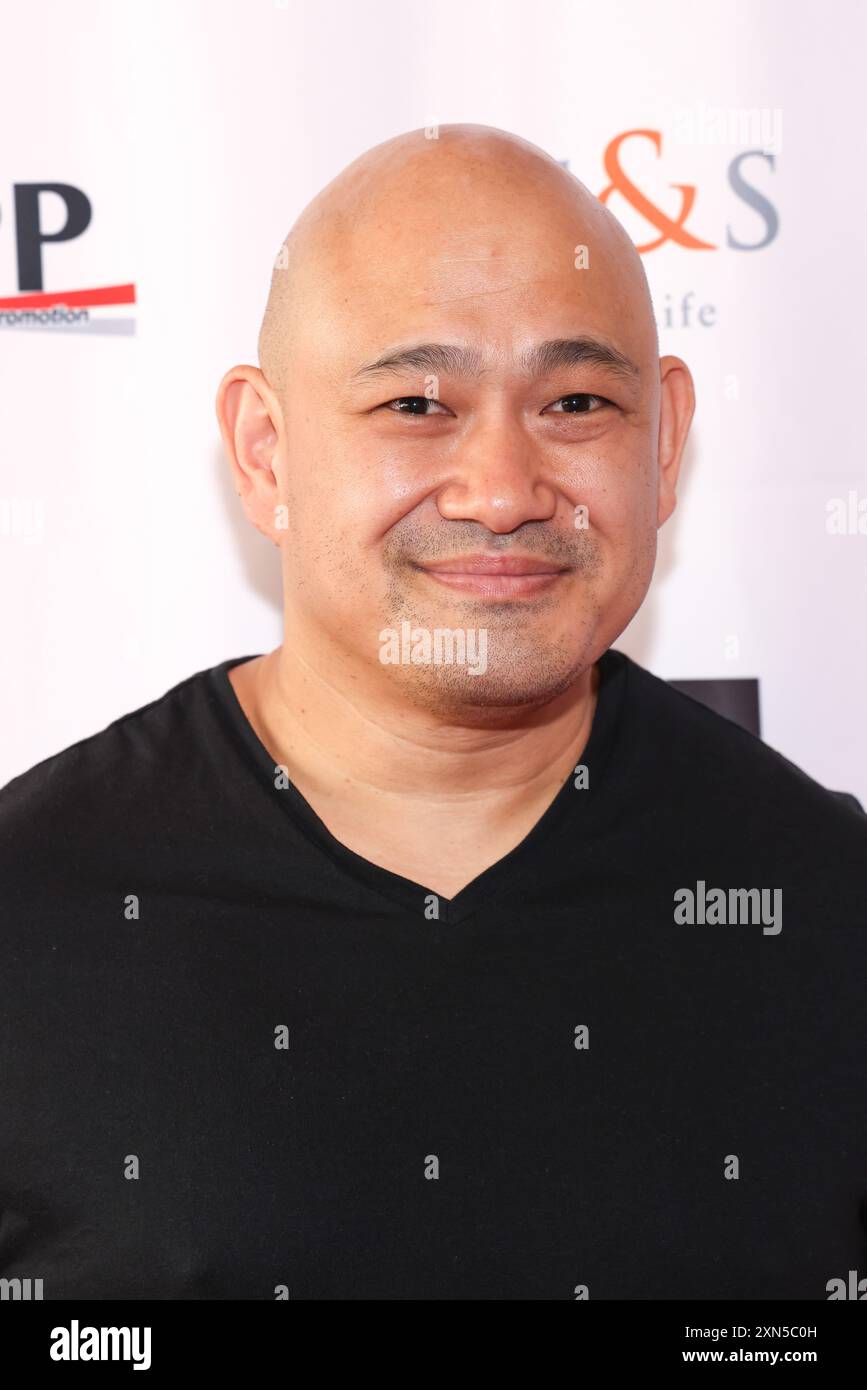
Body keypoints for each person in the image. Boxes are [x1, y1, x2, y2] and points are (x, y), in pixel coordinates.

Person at [1, 125, 865, 1301]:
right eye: (416, 402)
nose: (503, 492)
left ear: (663, 444)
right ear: (266, 452)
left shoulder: (825, 903)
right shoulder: (34, 904)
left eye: (575, 401)